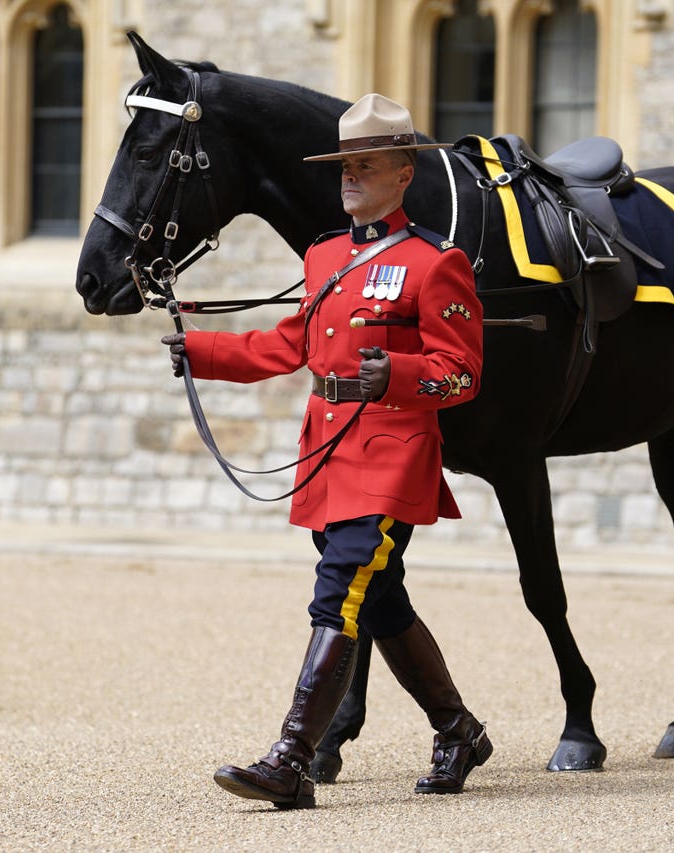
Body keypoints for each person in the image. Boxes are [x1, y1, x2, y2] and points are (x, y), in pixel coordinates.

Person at [161, 93, 489, 810]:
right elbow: (292, 345)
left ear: (403, 172)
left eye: (365, 165)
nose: (350, 177)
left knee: (339, 594)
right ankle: (458, 728)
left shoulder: (437, 262)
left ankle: (291, 757)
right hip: (329, 451)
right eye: (344, 165)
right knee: (379, 601)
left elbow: (462, 372)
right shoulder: (325, 256)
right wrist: (202, 350)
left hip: (394, 453)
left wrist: (398, 373)